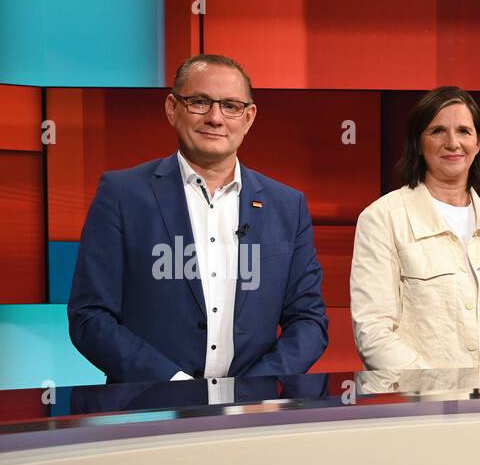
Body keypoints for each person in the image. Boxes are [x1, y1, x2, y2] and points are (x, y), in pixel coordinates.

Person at [68, 53, 328, 388]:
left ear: (248, 118)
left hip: (253, 413)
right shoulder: (122, 194)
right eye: (200, 102)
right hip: (148, 409)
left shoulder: (287, 206)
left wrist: (252, 389)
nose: (215, 118)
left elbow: (308, 321)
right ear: (172, 109)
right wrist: (172, 384)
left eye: (231, 106)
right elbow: (90, 317)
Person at [350, 86, 480, 370]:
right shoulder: (382, 219)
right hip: (422, 408)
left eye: (464, 131)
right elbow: (374, 330)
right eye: (438, 131)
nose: (453, 143)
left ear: (478, 143)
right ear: (418, 142)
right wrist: (441, 395)